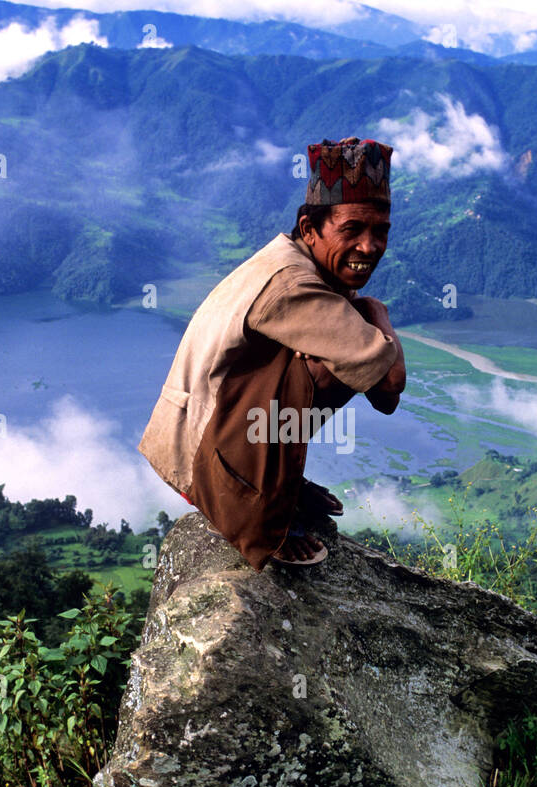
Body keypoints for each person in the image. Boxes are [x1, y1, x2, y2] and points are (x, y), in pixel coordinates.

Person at [138, 136, 406, 568]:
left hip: (198, 432)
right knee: (326, 366)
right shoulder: (293, 285)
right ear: (309, 229)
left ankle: (281, 483)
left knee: (335, 355)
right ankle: (258, 511)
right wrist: (376, 311)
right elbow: (391, 384)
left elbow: (383, 392)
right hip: (198, 459)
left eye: (380, 232)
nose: (369, 246)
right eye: (351, 229)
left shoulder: (292, 259)